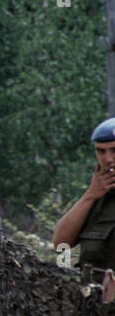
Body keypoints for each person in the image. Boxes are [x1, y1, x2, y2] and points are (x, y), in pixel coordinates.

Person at [52, 116, 115, 272]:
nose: (108, 159)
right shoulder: (98, 198)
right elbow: (61, 244)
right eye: (101, 151)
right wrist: (91, 195)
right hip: (93, 294)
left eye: (114, 150)